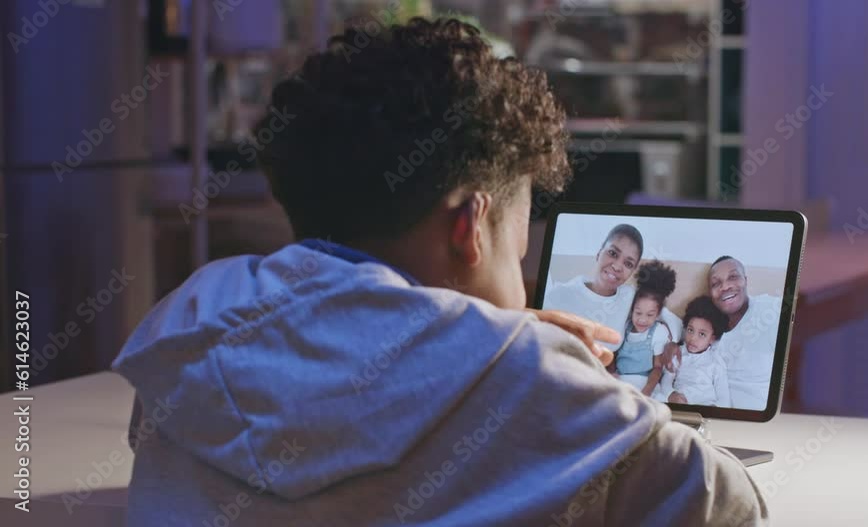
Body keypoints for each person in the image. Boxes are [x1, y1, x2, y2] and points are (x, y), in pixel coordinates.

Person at [112, 18, 767, 526]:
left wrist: (471, 332)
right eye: (518, 245)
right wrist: (522, 347)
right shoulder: (532, 373)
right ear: (469, 227)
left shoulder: (193, 315)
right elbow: (728, 504)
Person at [666, 255, 782, 411]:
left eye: (733, 277)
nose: (725, 286)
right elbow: (677, 325)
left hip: (759, 417)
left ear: (745, 281)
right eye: (716, 283)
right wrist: (669, 344)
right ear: (710, 293)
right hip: (712, 416)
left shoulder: (770, 310)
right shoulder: (707, 326)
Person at [542, 224, 644, 350]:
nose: (617, 267)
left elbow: (662, 313)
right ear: (599, 252)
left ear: (632, 271)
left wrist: (670, 344)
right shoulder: (559, 294)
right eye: (613, 253)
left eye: (628, 264)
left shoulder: (629, 296)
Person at [613, 261, 678, 398]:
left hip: (644, 384)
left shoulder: (658, 332)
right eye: (638, 313)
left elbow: (658, 368)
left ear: (658, 314)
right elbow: (614, 355)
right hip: (620, 382)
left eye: (650, 315)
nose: (642, 320)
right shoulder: (625, 326)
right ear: (632, 310)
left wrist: (647, 391)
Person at [665, 296, 732, 407]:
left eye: (702, 334)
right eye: (690, 330)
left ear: (712, 338)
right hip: (682, 404)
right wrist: (670, 394)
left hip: (707, 407)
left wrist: (716, 409)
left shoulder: (716, 361)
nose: (693, 338)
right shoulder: (678, 353)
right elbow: (666, 380)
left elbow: (724, 397)